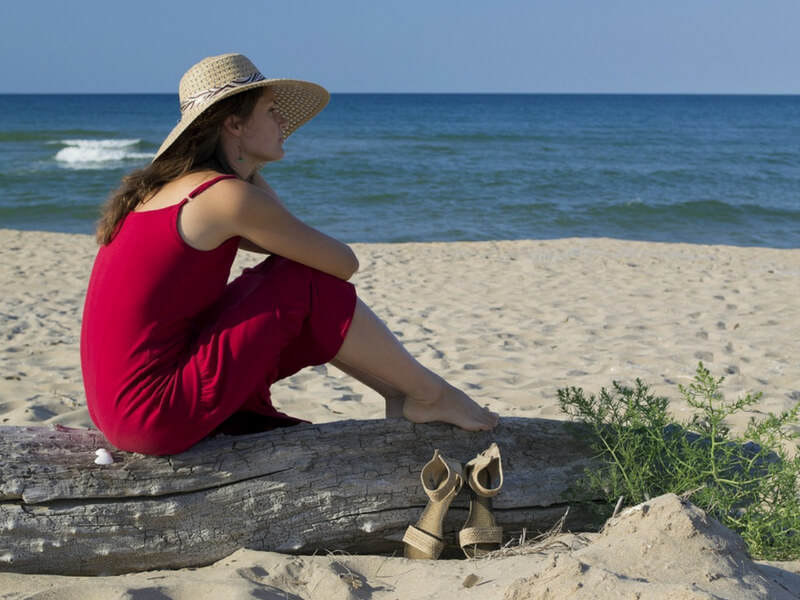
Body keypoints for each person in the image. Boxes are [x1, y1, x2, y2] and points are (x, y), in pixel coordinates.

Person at [80, 53, 498, 456]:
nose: (284, 122)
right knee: (305, 281)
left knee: (279, 280)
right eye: (271, 111)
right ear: (233, 124)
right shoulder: (225, 197)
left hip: (119, 410)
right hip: (156, 413)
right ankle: (429, 393)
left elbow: (287, 242)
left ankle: (400, 393)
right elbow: (339, 263)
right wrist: (246, 175)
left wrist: (245, 166)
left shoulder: (170, 191)